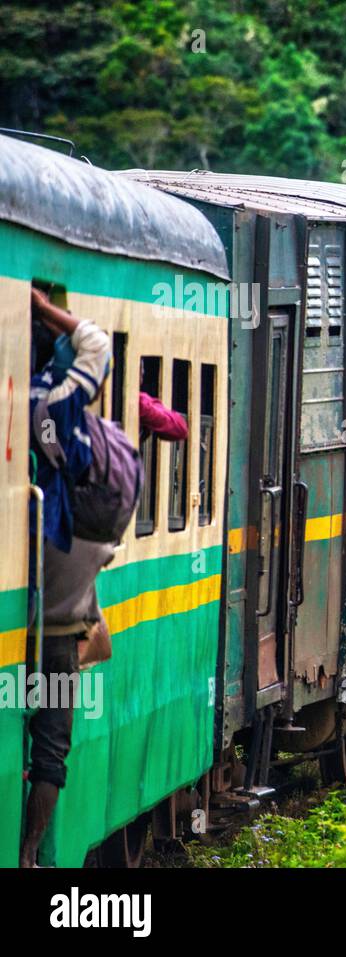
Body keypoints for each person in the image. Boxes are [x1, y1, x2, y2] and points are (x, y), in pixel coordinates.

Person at [22, 287, 116, 868]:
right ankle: (30, 856)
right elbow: (97, 341)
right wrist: (46, 304)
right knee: (52, 743)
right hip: (57, 615)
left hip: (32, 599)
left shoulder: (30, 402)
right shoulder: (59, 402)